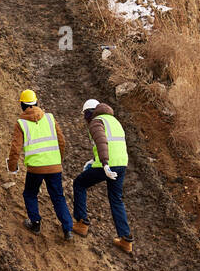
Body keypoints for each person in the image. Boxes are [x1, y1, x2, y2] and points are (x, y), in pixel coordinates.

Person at [7, 89, 73, 239]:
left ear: (22, 105)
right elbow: (61, 140)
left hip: (35, 168)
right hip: (54, 166)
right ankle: (68, 229)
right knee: (58, 197)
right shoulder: (49, 118)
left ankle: (35, 223)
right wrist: (58, 159)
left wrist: (12, 167)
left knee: (30, 194)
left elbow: (15, 148)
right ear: (37, 102)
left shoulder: (21, 123)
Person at [70, 98, 133, 254]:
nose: (85, 119)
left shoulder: (96, 122)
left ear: (89, 113)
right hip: (121, 164)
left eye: (85, 115)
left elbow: (102, 142)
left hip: (107, 164)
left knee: (79, 183)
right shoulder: (114, 121)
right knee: (116, 198)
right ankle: (126, 240)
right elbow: (113, 145)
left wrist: (104, 163)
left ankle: (81, 223)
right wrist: (93, 160)